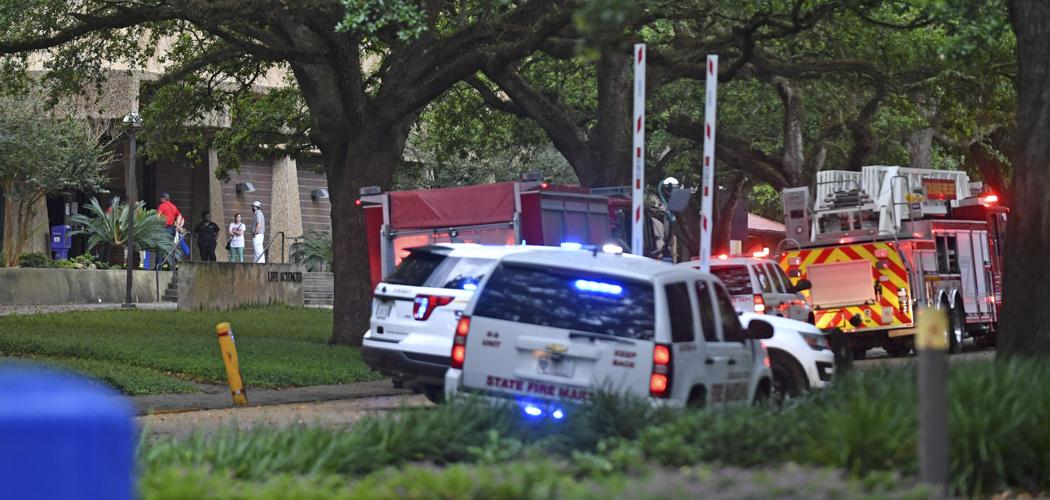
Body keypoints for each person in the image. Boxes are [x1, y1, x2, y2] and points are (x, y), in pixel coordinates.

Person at [156, 192, 183, 270]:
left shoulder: (162, 206)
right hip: (172, 229)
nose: (160, 199)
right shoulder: (173, 206)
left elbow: (158, 217)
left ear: (163, 198)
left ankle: (159, 268)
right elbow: (179, 215)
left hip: (164, 229)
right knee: (170, 248)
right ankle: (171, 268)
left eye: (161, 198)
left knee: (160, 248)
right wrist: (177, 225)